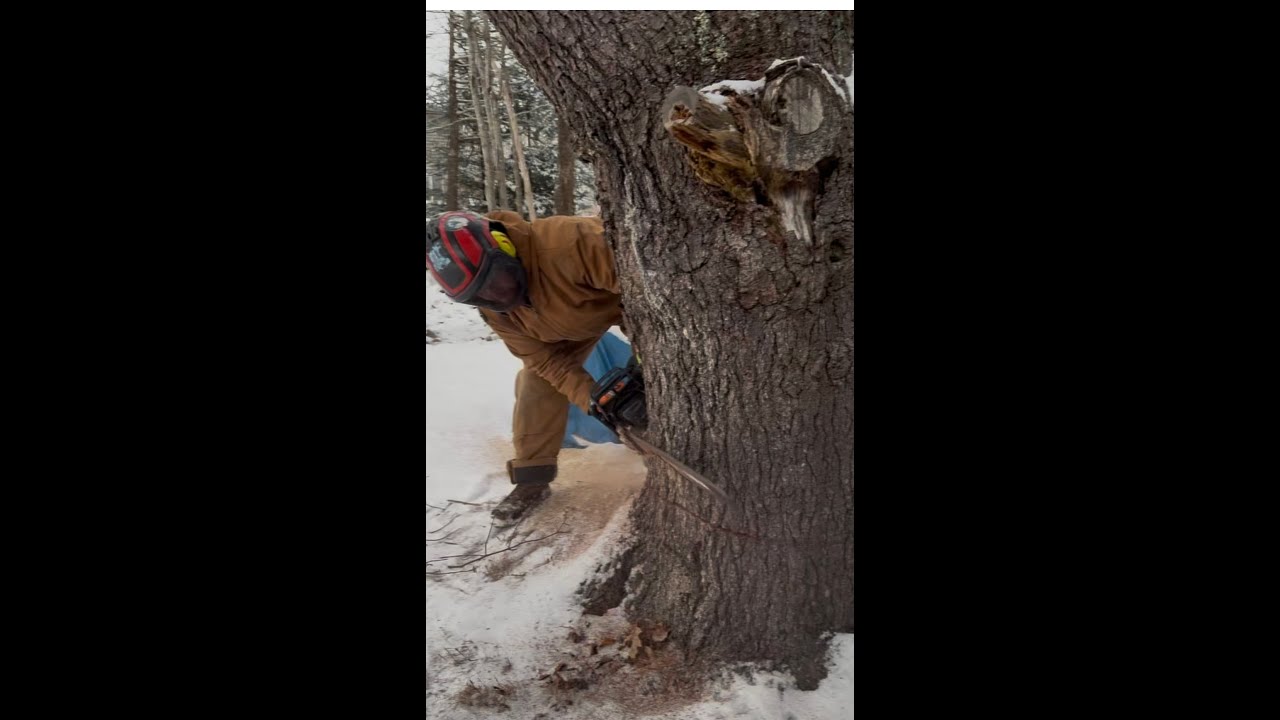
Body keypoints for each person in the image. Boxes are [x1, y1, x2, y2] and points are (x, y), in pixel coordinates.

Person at [425, 210, 629, 522]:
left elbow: (649, 292)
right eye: (480, 295)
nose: (497, 296)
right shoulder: (495, 310)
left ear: (504, 246)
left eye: (495, 280)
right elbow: (546, 361)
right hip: (566, 332)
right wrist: (599, 402)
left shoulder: (571, 242)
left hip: (627, 307)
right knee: (535, 383)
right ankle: (532, 478)